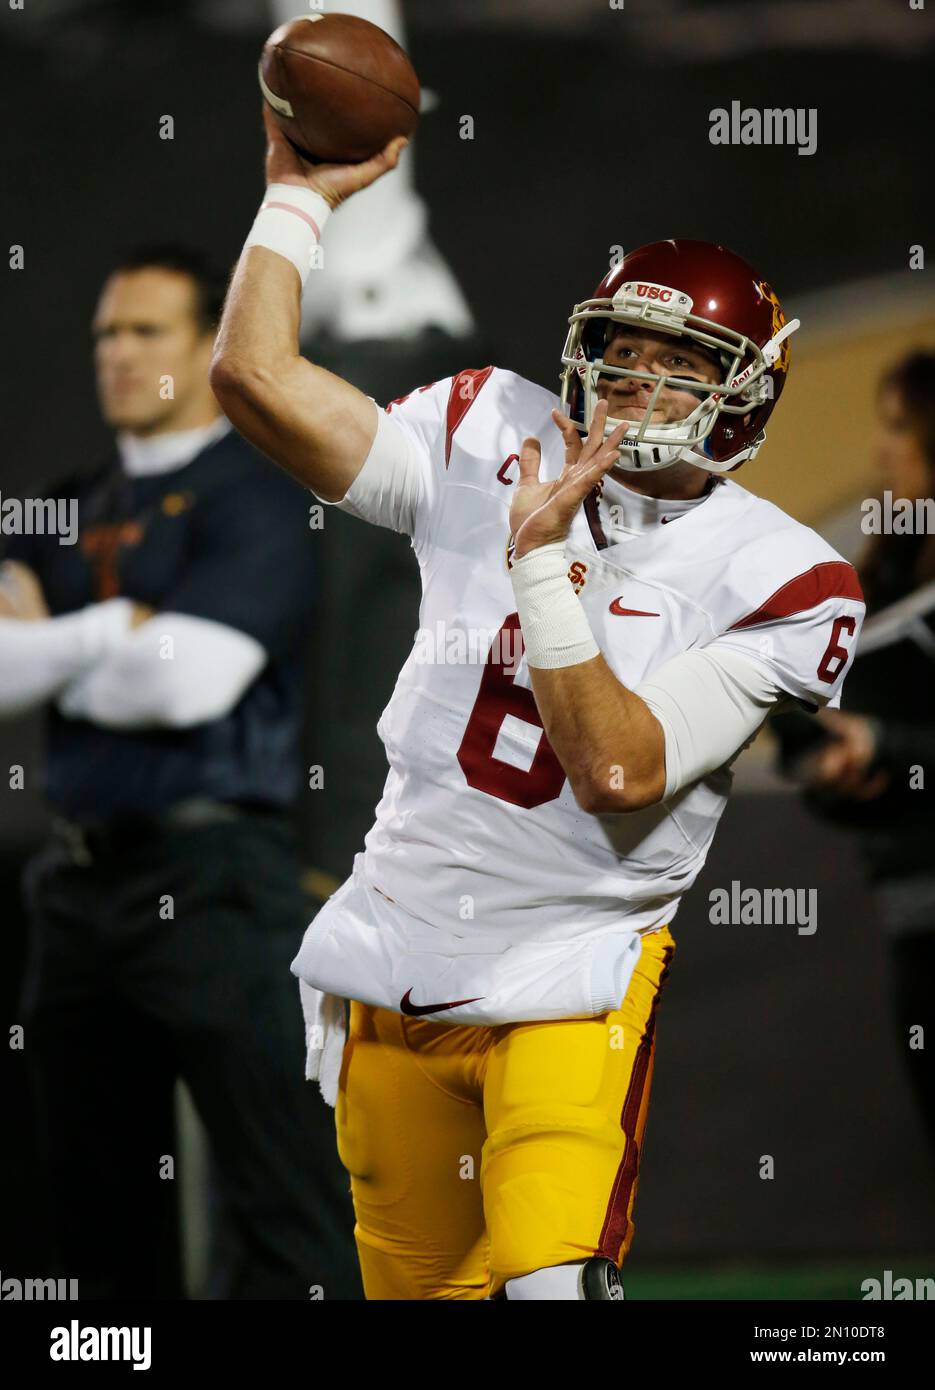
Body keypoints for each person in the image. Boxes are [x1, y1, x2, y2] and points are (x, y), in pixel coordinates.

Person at [209, 112, 866, 1300]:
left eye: (681, 364)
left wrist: (539, 569)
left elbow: (618, 772)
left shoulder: (783, 575)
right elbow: (254, 380)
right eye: (622, 349)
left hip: (568, 967)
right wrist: (294, 200)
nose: (639, 383)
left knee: (547, 1288)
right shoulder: (486, 425)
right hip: (396, 943)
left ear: (745, 396)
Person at [0, 245, 361, 1299]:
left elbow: (184, 686)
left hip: (216, 879)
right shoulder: (58, 503)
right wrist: (114, 624)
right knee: (94, 1224)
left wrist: (53, 643)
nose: (117, 353)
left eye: (146, 331)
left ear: (206, 348)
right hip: (76, 891)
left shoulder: (259, 496)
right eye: (107, 333)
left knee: (288, 1200)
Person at [773, 349, 935, 1159]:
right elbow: (810, 733)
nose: (878, 449)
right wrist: (832, 767)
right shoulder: (878, 577)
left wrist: (889, 745)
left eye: (900, 427)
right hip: (914, 922)